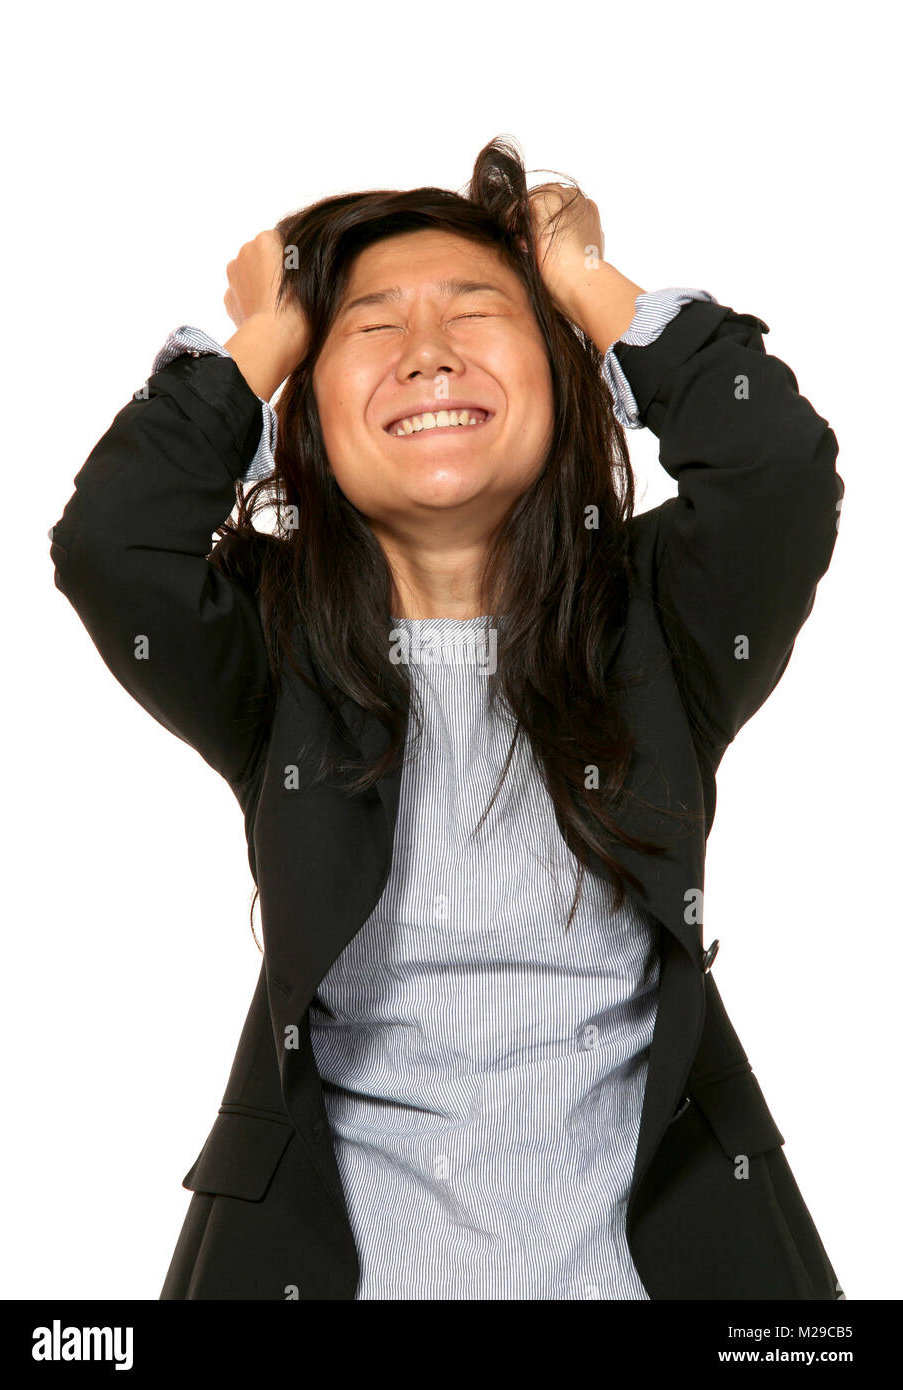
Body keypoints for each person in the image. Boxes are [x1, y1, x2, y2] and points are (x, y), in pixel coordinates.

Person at [48, 136, 845, 1300]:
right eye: (370, 327)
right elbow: (110, 545)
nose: (427, 355)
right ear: (306, 417)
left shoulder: (661, 628)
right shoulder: (275, 655)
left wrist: (584, 280)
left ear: (562, 378)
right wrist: (260, 335)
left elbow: (776, 471)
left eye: (478, 312)